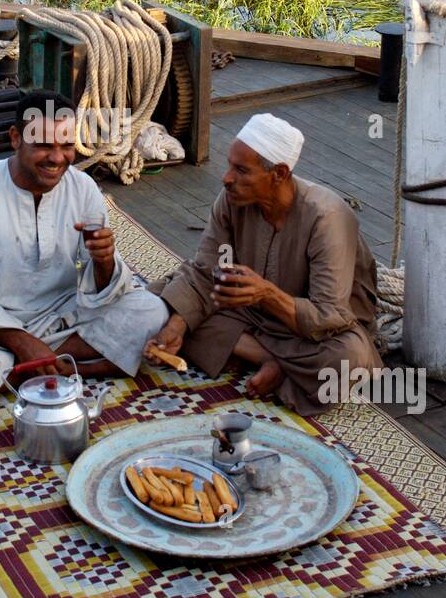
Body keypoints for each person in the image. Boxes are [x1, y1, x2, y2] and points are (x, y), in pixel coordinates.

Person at [0, 90, 169, 416]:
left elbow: (95, 284)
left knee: (151, 312)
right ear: (15, 139)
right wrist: (22, 341)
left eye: (66, 146)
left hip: (63, 317)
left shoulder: (83, 189)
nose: (57, 158)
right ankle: (55, 361)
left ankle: (38, 367)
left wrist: (104, 262)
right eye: (44, 146)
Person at [144, 112, 382, 414]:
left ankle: (252, 355)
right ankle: (271, 361)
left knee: (350, 358)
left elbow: (329, 314)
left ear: (279, 174)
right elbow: (204, 273)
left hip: (316, 330)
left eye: (241, 170)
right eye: (230, 164)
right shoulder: (231, 199)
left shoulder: (327, 217)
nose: (226, 178)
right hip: (248, 314)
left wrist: (267, 294)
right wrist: (176, 327)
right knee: (161, 302)